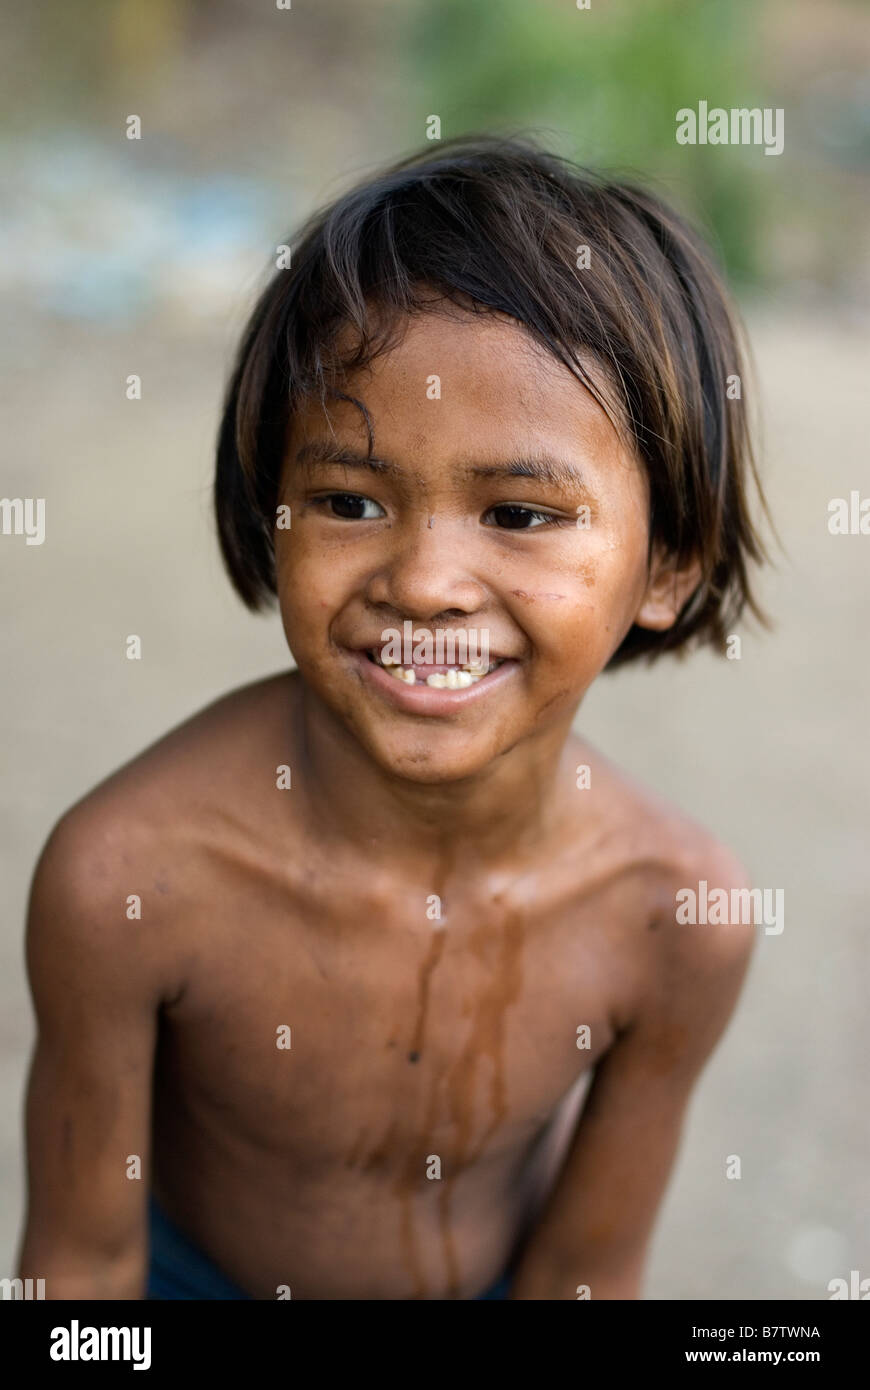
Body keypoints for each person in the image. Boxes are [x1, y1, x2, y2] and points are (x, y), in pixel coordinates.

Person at [17, 136, 767, 1300]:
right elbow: (81, 1269)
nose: (425, 581)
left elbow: (585, 1272)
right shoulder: (128, 879)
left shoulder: (677, 919)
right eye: (349, 499)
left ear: (668, 562)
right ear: (270, 513)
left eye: (519, 512)